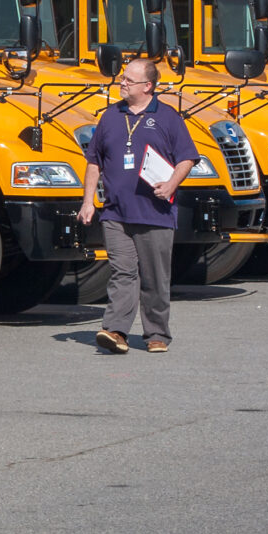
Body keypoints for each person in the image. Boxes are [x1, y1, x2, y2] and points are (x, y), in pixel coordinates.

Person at [77, 57, 199, 354]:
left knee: (155, 277)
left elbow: (187, 157)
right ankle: (115, 330)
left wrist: (171, 184)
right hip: (116, 212)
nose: (122, 82)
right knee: (122, 273)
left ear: (148, 86)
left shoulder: (168, 117)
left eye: (129, 80)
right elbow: (94, 161)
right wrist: (88, 201)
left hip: (154, 213)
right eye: (122, 77)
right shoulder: (109, 116)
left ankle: (156, 334)